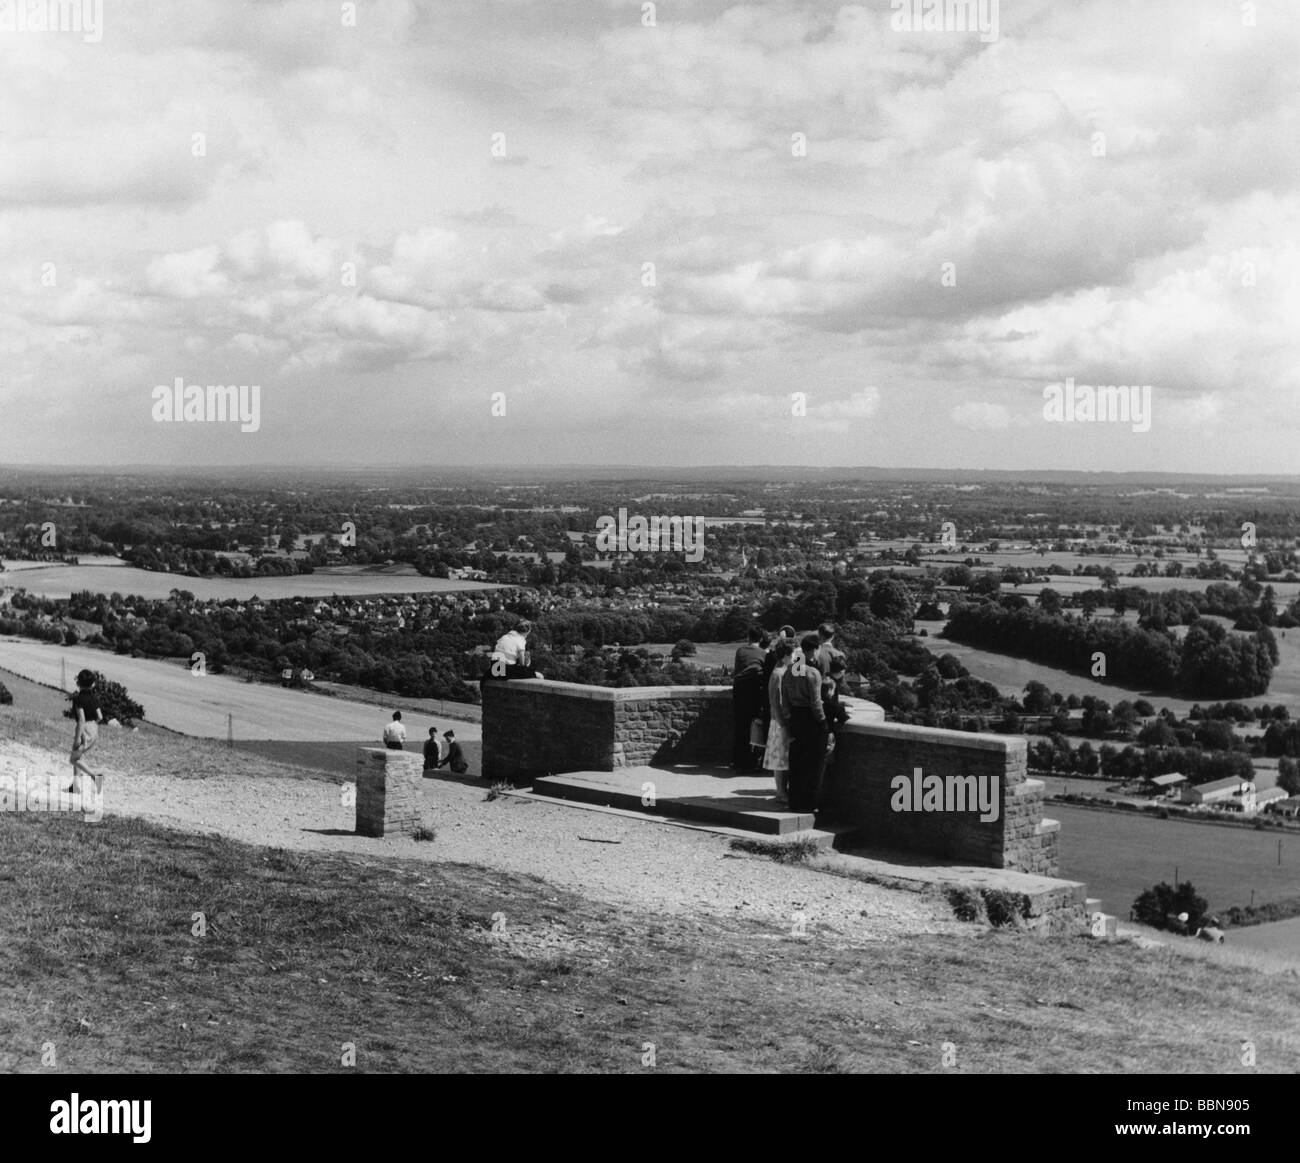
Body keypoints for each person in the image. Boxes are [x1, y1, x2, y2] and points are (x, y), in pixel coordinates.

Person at [781, 633, 828, 813]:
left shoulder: (790, 670)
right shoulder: (812, 673)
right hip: (810, 719)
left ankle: (795, 800)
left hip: (795, 717)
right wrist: (823, 721)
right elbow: (816, 702)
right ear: (814, 649)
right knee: (813, 763)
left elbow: (784, 699)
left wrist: (789, 717)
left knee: (797, 761)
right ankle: (809, 803)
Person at [762, 641, 794, 807]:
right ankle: (781, 793)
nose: (795, 657)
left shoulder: (781, 671)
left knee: (782, 759)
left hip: (779, 720)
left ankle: (783, 792)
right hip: (779, 721)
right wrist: (783, 725)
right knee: (780, 760)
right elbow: (776, 702)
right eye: (793, 654)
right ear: (786, 655)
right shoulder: (778, 674)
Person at [731, 626, 767, 771]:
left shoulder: (740, 651)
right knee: (755, 728)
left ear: (748, 637)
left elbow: (737, 669)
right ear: (761, 638)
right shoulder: (763, 653)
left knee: (740, 727)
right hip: (755, 692)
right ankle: (752, 762)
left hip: (739, 691)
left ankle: (738, 761)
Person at [66, 669, 104, 797]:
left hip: (84, 730)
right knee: (79, 757)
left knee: (74, 759)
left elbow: (81, 719)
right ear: (93, 684)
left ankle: (95, 776)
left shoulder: (78, 699)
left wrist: (78, 737)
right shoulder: (95, 698)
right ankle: (75, 786)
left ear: (78, 682)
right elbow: (100, 716)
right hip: (94, 728)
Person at [480, 619, 543, 697]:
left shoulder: (504, 637)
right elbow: (522, 664)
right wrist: (528, 663)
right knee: (538, 675)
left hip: (495, 669)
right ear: (527, 632)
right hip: (504, 671)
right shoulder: (520, 640)